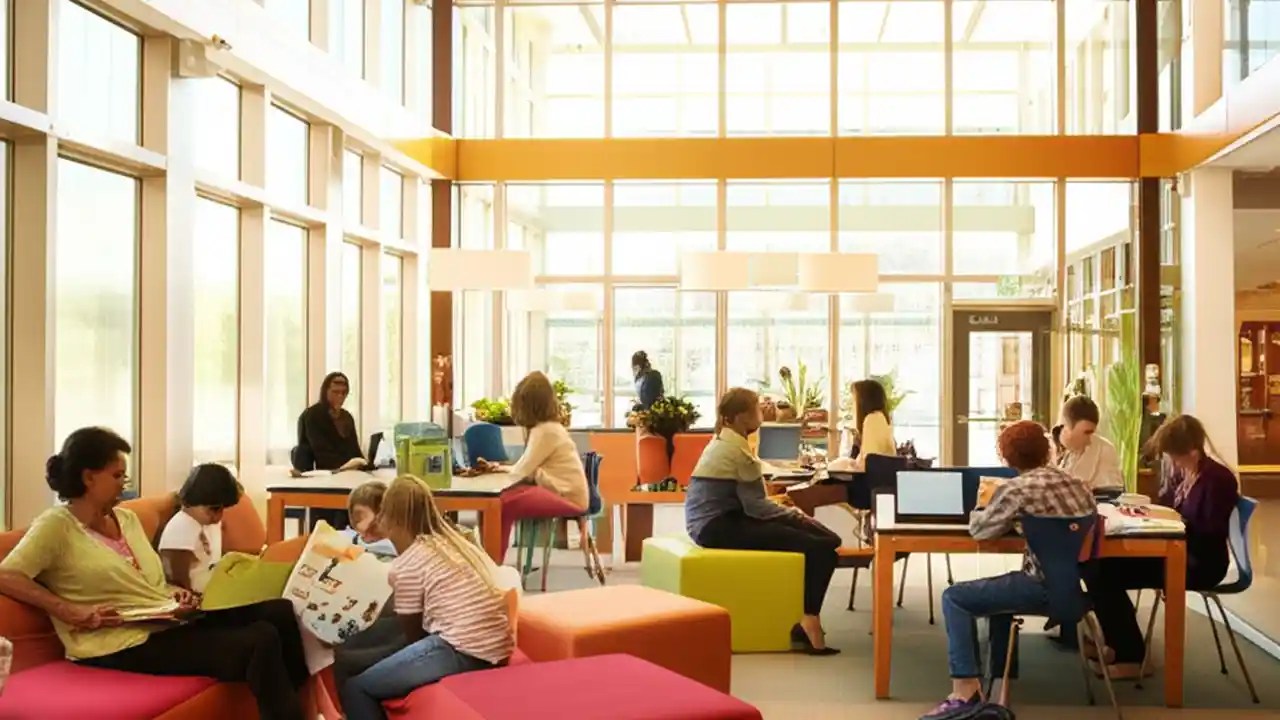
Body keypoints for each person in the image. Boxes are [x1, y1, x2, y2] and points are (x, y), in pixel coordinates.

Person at [0, 427, 310, 720]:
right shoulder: (56, 526)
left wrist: (175, 593)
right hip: (116, 643)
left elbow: (150, 581)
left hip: (163, 621)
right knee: (260, 639)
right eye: (117, 475)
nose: (124, 482)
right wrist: (68, 610)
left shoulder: (127, 520)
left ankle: (304, 706)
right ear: (89, 477)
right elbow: (7, 575)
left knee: (280, 611)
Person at [921, 421, 1095, 720]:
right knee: (1000, 597)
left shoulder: (1016, 489)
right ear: (1046, 450)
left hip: (1038, 588)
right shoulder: (1078, 484)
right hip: (1076, 592)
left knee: (955, 597)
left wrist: (983, 504)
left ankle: (965, 691)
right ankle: (999, 683)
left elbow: (981, 531)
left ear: (1008, 458)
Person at [685, 387, 842, 655]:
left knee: (825, 541)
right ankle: (809, 622)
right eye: (757, 407)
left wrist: (793, 516)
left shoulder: (724, 442)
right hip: (718, 526)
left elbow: (753, 506)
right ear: (740, 417)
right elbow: (757, 507)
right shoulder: (737, 452)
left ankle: (805, 618)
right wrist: (796, 516)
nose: (763, 411)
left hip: (715, 522)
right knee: (822, 547)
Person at [342, 477, 514, 720]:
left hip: (464, 651)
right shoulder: (454, 542)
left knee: (356, 688)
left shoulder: (408, 564)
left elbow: (413, 637)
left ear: (390, 517)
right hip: (495, 647)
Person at [1084, 415, 1239, 679]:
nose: (1172, 462)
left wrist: (1175, 522)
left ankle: (1132, 657)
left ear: (1192, 451)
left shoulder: (1217, 479)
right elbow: (1169, 506)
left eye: (1175, 456)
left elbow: (1210, 530)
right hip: (1177, 549)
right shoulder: (1186, 471)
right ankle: (1120, 644)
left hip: (1199, 562)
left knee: (1104, 573)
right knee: (1096, 564)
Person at [495, 371, 589, 562]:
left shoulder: (544, 432)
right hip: (564, 493)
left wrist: (500, 471)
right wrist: (501, 469)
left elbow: (521, 472)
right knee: (502, 500)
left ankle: (493, 561)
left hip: (566, 497)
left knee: (501, 503)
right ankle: (493, 560)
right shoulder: (550, 428)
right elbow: (524, 470)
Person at [158, 463, 242, 594]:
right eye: (213, 509)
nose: (218, 517)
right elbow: (178, 581)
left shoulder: (207, 524)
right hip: (196, 599)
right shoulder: (180, 528)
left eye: (222, 509)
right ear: (193, 501)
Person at [295, 372, 365, 472]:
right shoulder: (313, 415)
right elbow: (322, 453)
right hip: (320, 474)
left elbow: (354, 450)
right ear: (325, 392)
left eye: (344, 392)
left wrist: (364, 463)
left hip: (346, 471)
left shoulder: (347, 417)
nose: (340, 396)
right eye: (335, 392)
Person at [1055, 395, 1123, 490]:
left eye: (1092, 432)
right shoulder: (1049, 449)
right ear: (1067, 428)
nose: (1089, 440)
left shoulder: (1104, 450)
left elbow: (1113, 492)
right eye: (1086, 432)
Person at [852, 379, 896, 470]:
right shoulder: (880, 419)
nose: (853, 405)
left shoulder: (873, 420)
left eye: (854, 400)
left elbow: (869, 462)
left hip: (873, 482)